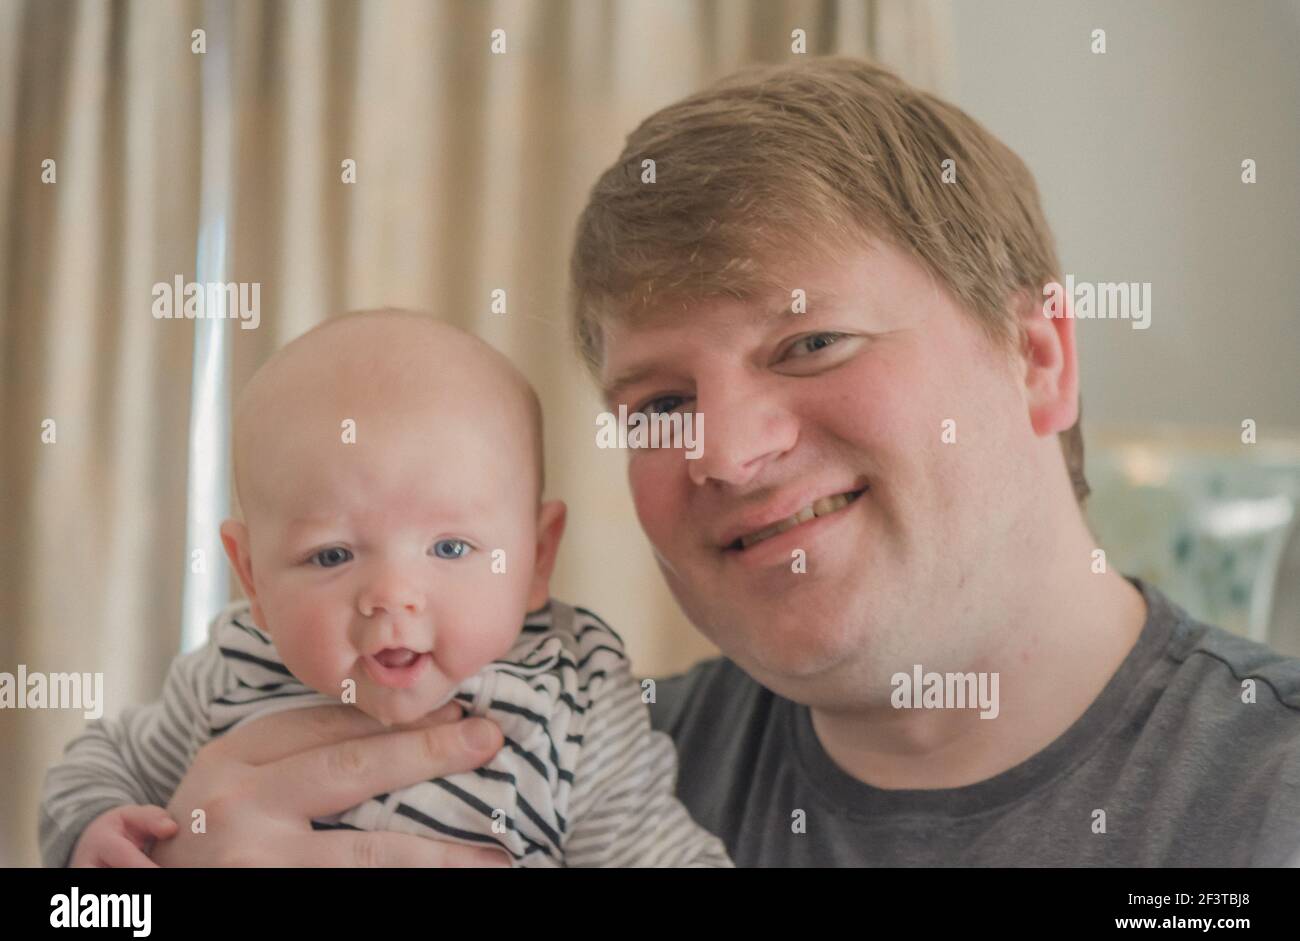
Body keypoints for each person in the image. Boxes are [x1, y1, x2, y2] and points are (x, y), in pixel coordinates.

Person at [44, 56, 1300, 868]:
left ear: (1036, 357)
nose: (728, 452)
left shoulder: (1264, 796)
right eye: (654, 399)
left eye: (810, 341)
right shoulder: (590, 742)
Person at [39, 310, 731, 868]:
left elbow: (654, 850)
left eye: (451, 548)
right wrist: (92, 831)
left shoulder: (574, 689)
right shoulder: (234, 667)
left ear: (536, 556)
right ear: (250, 573)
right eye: (332, 553)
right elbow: (105, 759)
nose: (393, 597)